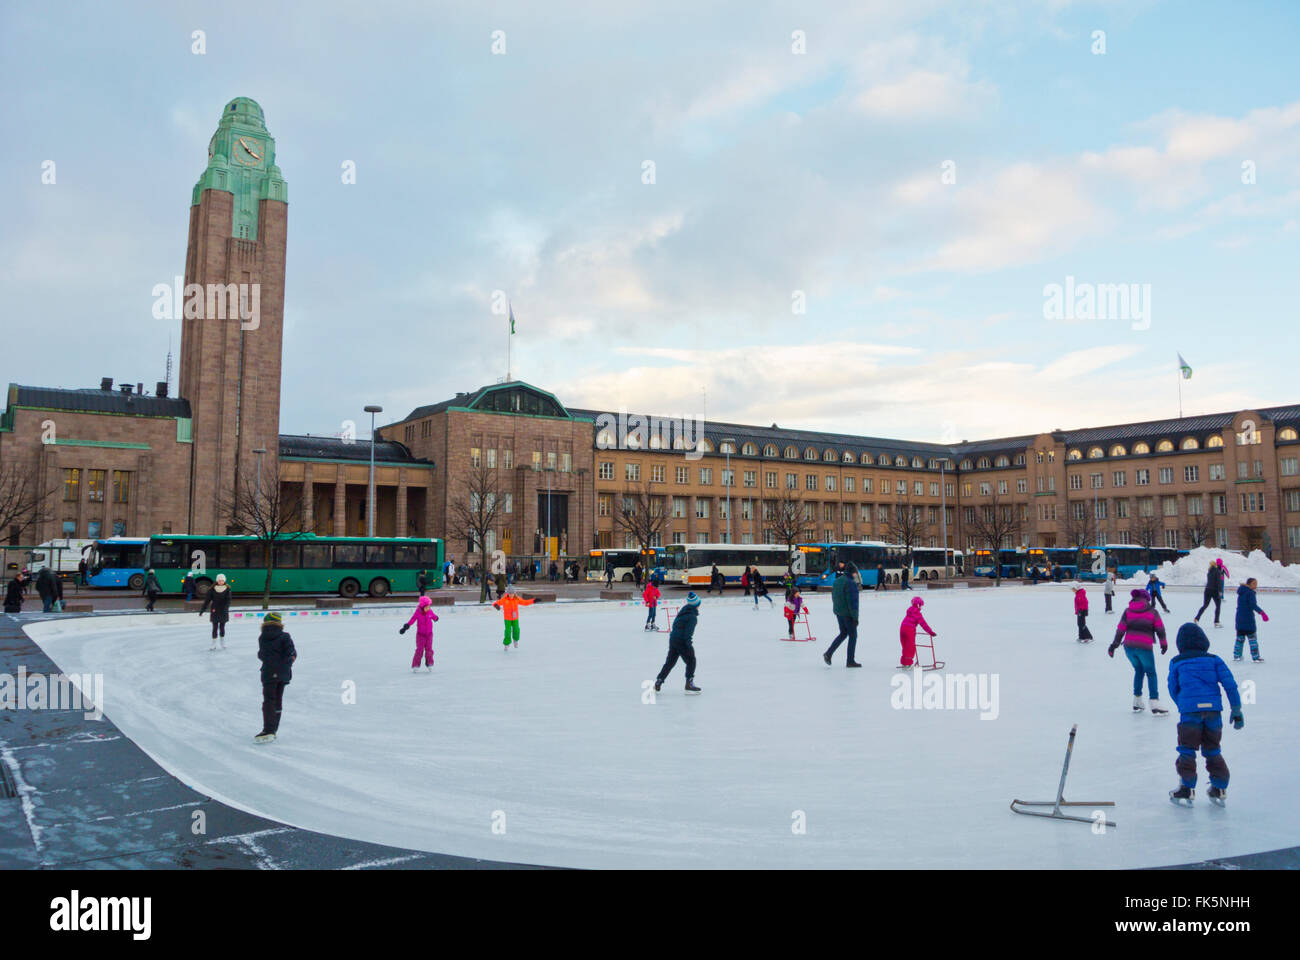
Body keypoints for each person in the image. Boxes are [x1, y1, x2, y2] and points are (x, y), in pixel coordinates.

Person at [1167, 622, 1243, 806]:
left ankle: (1187, 788)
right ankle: (1219, 787)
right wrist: (1236, 709)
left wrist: (1183, 704)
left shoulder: (1177, 662)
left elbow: (1172, 687)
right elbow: (1230, 685)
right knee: (1212, 749)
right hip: (1213, 712)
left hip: (1190, 713)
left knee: (1187, 750)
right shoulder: (1215, 660)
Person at [1108, 588, 1169, 714]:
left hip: (1129, 648)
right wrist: (1164, 644)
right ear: (1146, 599)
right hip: (1144, 647)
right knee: (1151, 673)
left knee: (1139, 670)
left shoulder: (1128, 611)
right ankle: (1154, 702)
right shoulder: (1152, 612)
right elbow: (1160, 630)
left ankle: (1137, 701)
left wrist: (1114, 645)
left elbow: (1120, 630)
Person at [254, 611, 297, 744]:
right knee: (278, 700)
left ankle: (268, 729)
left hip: (268, 673)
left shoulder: (262, 637)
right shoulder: (285, 636)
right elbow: (292, 654)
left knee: (268, 701)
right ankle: (274, 730)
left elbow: (261, 655)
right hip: (283, 673)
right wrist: (286, 665)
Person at [654, 591, 701, 694]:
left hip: (673, 639)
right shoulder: (692, 617)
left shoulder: (683, 611)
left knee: (670, 662)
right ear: (696, 605)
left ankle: (659, 680)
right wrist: (688, 647)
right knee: (691, 661)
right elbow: (688, 634)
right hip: (681, 641)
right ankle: (689, 683)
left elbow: (675, 625)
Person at [822, 562, 861, 668]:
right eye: (855, 573)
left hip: (839, 612)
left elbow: (834, 596)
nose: (856, 575)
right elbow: (853, 602)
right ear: (853, 572)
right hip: (848, 614)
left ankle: (828, 653)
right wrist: (855, 617)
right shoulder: (850, 583)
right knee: (853, 636)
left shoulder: (838, 581)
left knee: (843, 633)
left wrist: (837, 610)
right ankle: (850, 661)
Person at [1232, 577, 1268, 663]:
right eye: (1254, 583)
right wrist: (1262, 613)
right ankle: (1255, 657)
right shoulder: (1250, 593)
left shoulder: (1241, 592)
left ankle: (1237, 656)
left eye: (1256, 583)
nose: (1256, 585)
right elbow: (1253, 605)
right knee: (1252, 639)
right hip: (1248, 619)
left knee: (1240, 639)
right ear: (1249, 584)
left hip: (1239, 618)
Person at [400, 595, 439, 672]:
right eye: (427, 607)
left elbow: (434, 616)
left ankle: (429, 663)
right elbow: (412, 620)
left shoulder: (429, 611)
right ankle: (416, 665)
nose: (428, 608)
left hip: (429, 635)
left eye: (429, 606)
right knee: (419, 650)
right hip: (420, 635)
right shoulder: (418, 613)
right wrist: (406, 627)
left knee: (429, 650)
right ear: (422, 606)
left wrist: (436, 618)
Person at [899, 596, 937, 667]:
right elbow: (924, 624)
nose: (921, 608)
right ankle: (908, 664)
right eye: (921, 606)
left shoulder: (909, 611)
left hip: (902, 628)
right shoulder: (917, 613)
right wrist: (931, 632)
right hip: (909, 630)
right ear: (918, 605)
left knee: (905, 646)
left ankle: (904, 663)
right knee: (910, 647)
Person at [199, 573, 232, 650]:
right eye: (219, 580)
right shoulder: (212, 589)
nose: (221, 582)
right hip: (215, 610)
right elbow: (207, 601)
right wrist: (202, 610)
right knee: (215, 627)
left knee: (222, 627)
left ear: (224, 581)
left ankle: (222, 642)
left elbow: (228, 600)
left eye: (222, 580)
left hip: (223, 610)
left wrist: (226, 608)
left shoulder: (227, 589)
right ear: (217, 581)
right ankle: (214, 643)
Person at [1194, 559, 1227, 628]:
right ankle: (1216, 622)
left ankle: (1197, 618)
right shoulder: (1218, 572)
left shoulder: (1209, 572)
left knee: (1205, 605)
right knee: (1218, 606)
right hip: (1215, 591)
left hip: (1207, 590)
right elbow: (1219, 583)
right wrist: (1220, 592)